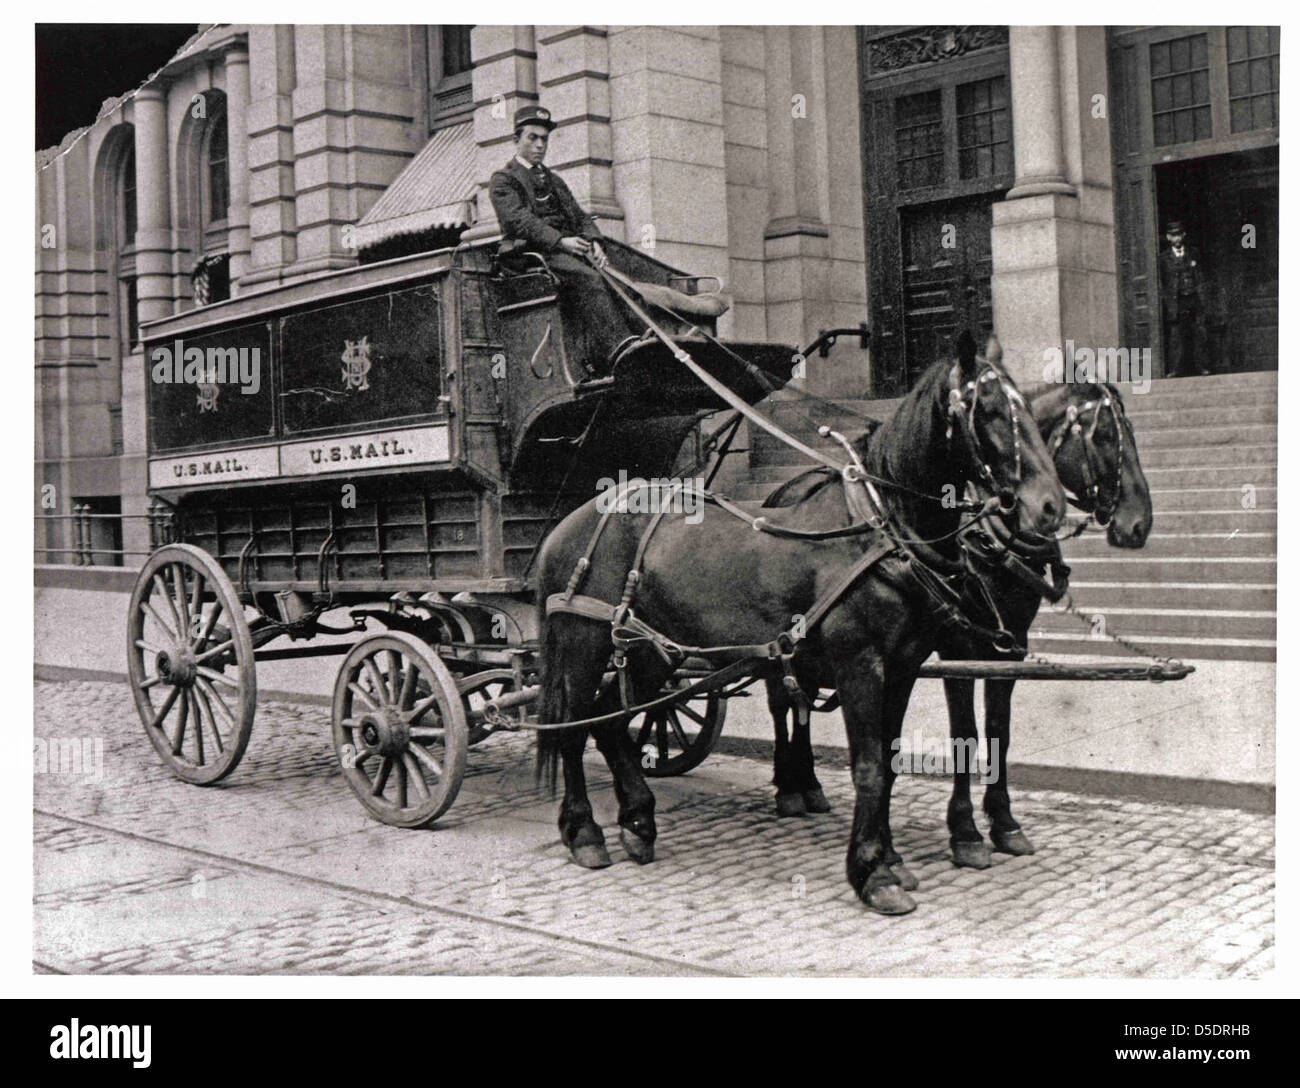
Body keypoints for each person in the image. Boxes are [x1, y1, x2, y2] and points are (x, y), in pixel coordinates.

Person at [489, 105, 641, 370]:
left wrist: (594, 242)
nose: (539, 145)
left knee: (619, 278)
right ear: (516, 141)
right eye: (532, 138)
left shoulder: (554, 180)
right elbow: (519, 221)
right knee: (589, 278)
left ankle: (644, 341)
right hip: (530, 255)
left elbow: (579, 215)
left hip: (565, 250)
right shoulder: (504, 180)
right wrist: (561, 242)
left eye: (544, 139)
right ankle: (617, 347)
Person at [1158, 219, 1209, 376]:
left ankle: (1203, 367)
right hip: (1177, 301)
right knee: (1176, 337)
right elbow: (1162, 283)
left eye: (1179, 235)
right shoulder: (1163, 258)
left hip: (1193, 299)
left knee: (1199, 334)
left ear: (1184, 235)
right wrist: (1168, 302)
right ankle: (1174, 370)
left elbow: (1200, 277)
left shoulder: (1193, 253)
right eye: (1173, 235)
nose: (1177, 239)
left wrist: (1202, 297)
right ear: (1168, 238)